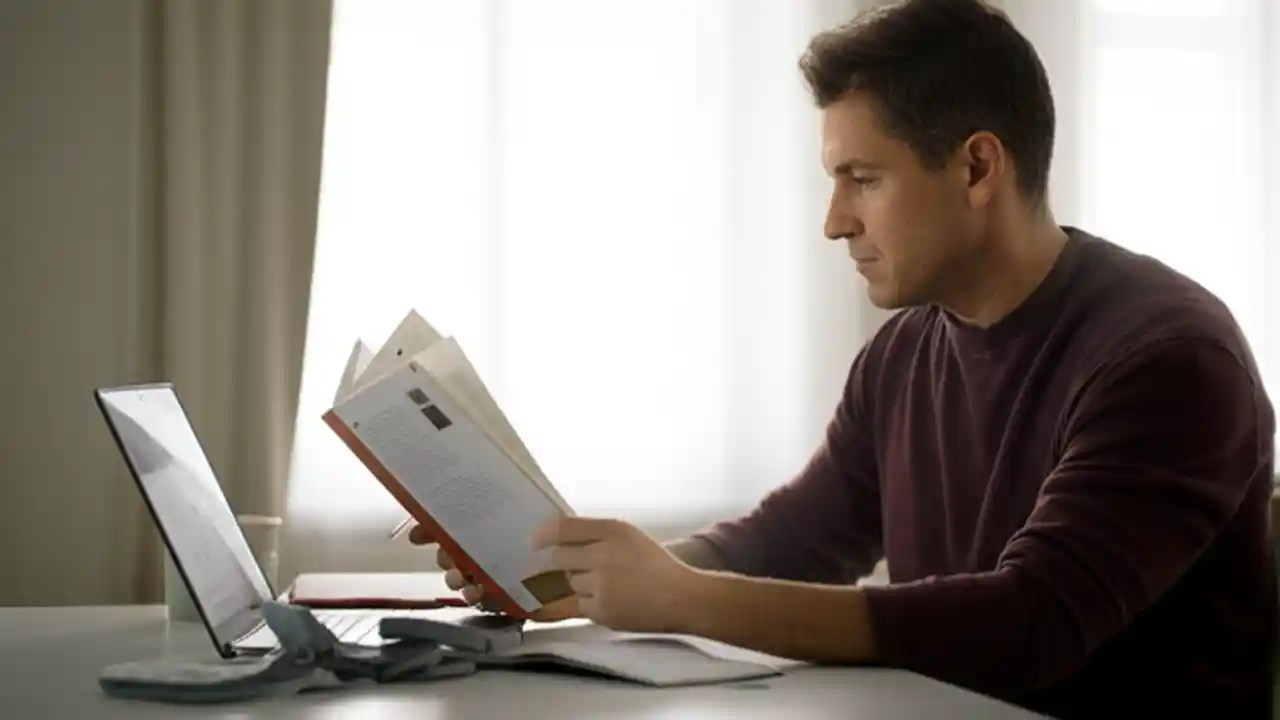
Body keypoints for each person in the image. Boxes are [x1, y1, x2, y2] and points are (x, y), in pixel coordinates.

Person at [411, 0, 1277, 716]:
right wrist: (573, 583)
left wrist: (682, 598)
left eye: (863, 178)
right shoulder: (903, 353)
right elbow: (793, 541)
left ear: (978, 167)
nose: (834, 221)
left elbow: (1033, 622)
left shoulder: (1171, 360)